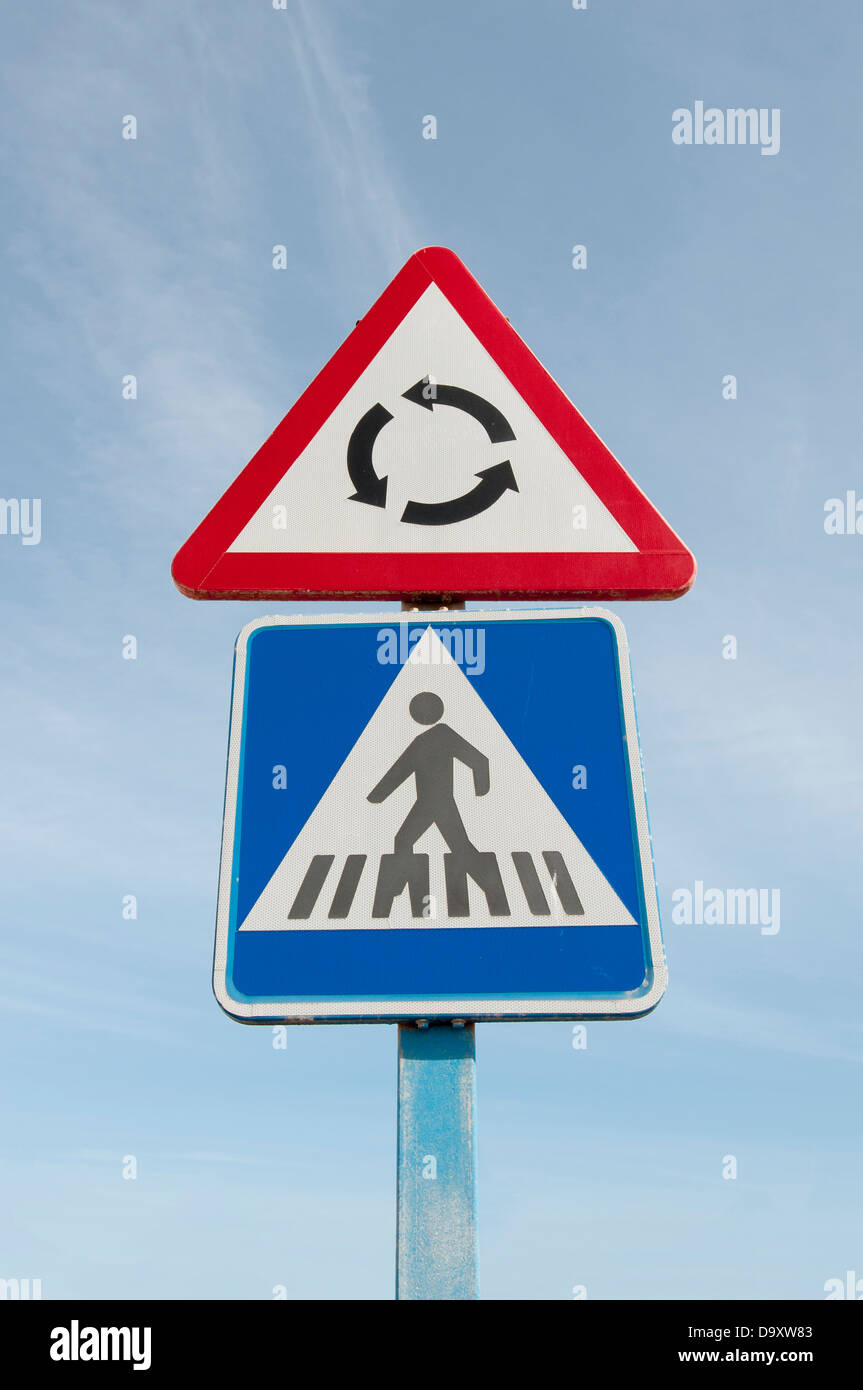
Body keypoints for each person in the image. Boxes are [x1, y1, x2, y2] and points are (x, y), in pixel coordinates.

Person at [367, 692, 489, 858]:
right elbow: (401, 770)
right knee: (408, 841)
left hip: (438, 802)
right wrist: (376, 796)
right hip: (428, 802)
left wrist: (481, 790)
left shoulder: (441, 735)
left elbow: (479, 760)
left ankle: (481, 871)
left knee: (405, 841)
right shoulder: (425, 740)